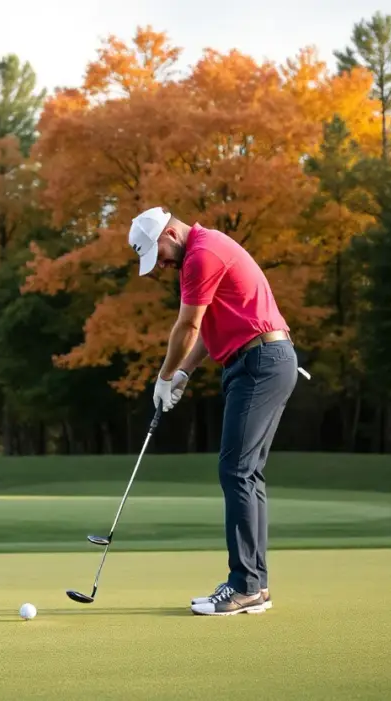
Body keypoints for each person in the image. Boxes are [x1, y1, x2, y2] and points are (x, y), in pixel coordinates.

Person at [128, 206, 300, 616]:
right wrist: (184, 373)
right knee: (246, 473)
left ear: (170, 233)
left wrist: (164, 374)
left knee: (236, 471)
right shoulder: (205, 249)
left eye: (161, 254)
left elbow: (187, 326)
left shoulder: (200, 254)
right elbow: (208, 328)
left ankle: (243, 586)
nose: (162, 265)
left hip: (260, 362)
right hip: (260, 361)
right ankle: (255, 586)